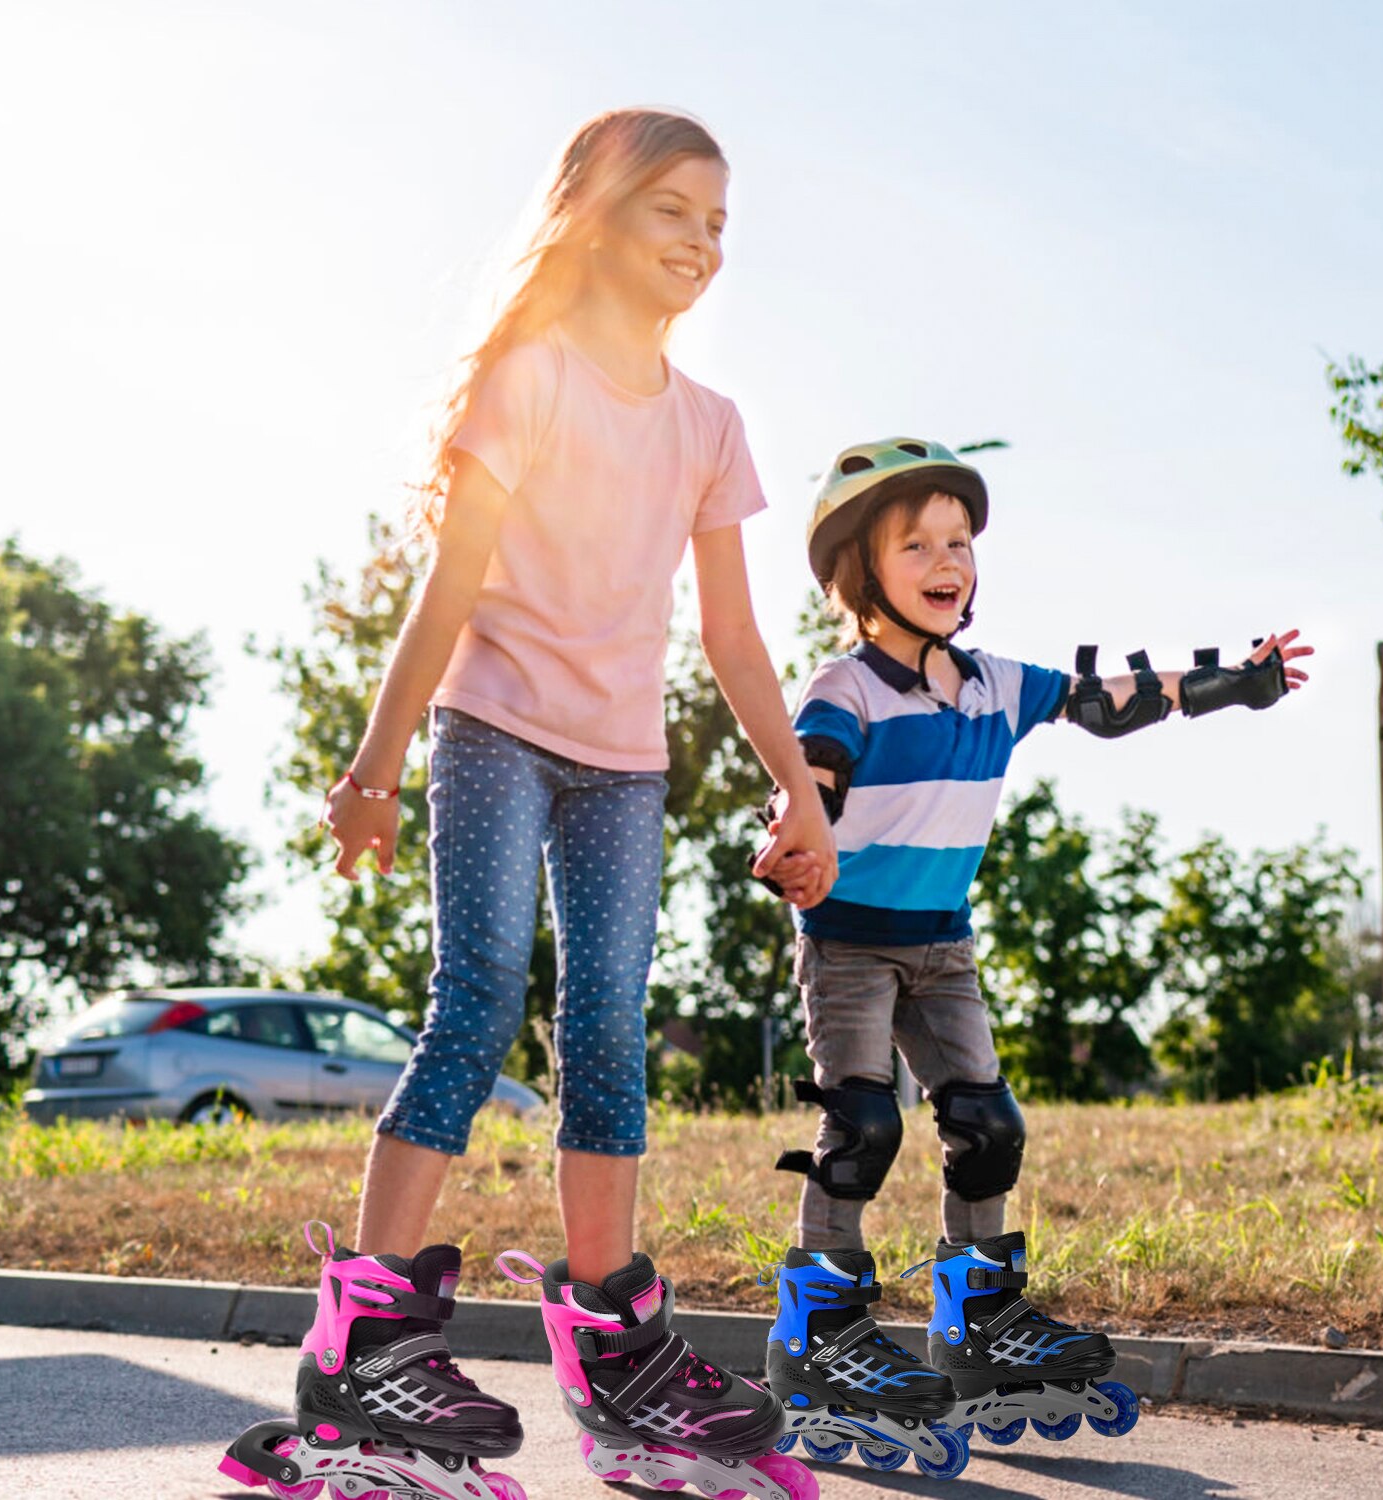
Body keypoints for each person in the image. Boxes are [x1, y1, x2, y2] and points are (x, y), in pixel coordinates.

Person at [316, 109, 830, 1500]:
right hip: (493, 729)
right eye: (675, 211)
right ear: (600, 218)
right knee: (476, 995)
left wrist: (802, 792)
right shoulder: (528, 380)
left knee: (608, 1020)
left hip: (625, 763)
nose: (702, 242)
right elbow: (447, 594)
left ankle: (612, 1341)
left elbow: (731, 639)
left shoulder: (711, 426)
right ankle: (364, 1335)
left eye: (719, 222)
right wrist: (374, 770)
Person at [759, 436, 1309, 1457]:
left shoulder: (993, 683)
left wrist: (1238, 680)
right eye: (916, 544)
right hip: (848, 947)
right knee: (864, 1131)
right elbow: (813, 777)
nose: (946, 562)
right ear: (855, 572)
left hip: (943, 947)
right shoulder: (847, 686)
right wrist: (798, 839)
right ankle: (819, 1335)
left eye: (959, 542)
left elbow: (1105, 703)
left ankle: (980, 1323)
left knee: (988, 1126)